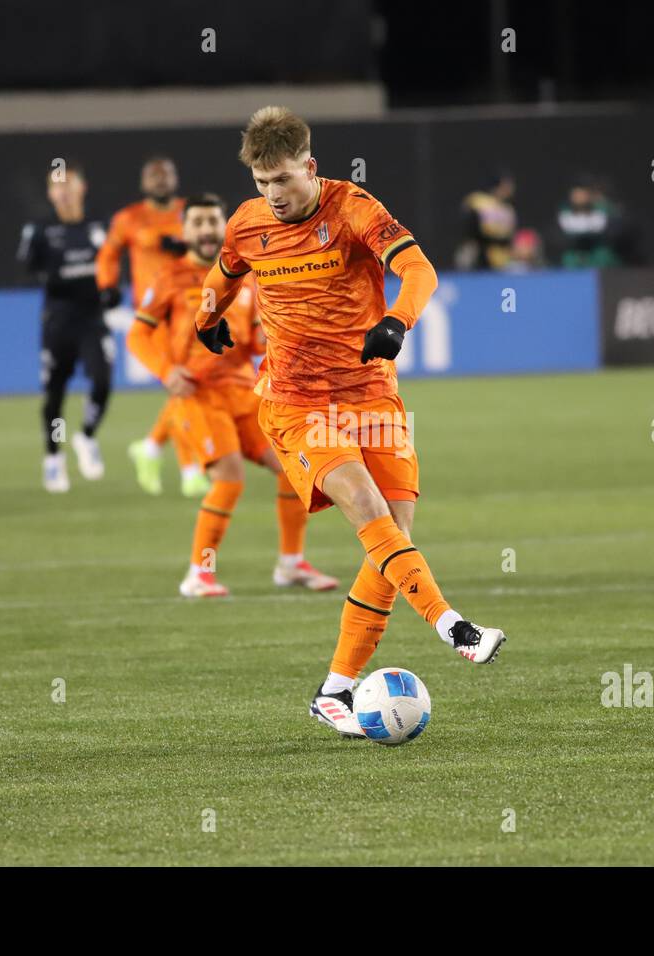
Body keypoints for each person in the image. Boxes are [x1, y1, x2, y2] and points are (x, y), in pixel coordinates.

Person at [194, 107, 507, 738]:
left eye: (282, 180)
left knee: (394, 539)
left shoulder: (354, 208)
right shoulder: (247, 225)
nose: (272, 196)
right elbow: (222, 275)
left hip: (371, 395)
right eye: (261, 184)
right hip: (294, 402)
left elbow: (419, 270)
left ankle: (334, 688)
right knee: (367, 508)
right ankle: (453, 625)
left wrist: (397, 321)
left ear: (310, 167)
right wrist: (207, 318)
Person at [128, 193, 338, 597]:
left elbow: (258, 338)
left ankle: (290, 564)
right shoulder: (170, 278)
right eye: (198, 222)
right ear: (185, 230)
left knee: (292, 471)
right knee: (230, 479)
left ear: (224, 226)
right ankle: (197, 574)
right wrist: (165, 371)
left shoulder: (246, 275)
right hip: (199, 397)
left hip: (245, 393)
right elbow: (137, 334)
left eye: (212, 221)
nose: (206, 230)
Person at [95, 156, 206, 497]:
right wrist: (108, 285)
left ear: (175, 178)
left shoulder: (192, 212)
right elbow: (108, 254)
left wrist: (188, 244)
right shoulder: (129, 218)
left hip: (193, 310)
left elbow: (216, 242)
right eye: (153, 175)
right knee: (181, 384)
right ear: (144, 183)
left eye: (165, 174)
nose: (160, 180)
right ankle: (189, 468)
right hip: (155, 315)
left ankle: (155, 448)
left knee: (187, 385)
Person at [18, 162, 113, 492]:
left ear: (81, 187)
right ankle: (54, 456)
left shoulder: (100, 224)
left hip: (93, 319)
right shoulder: (42, 229)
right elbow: (27, 265)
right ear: (50, 193)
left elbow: (113, 263)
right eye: (57, 186)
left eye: (69, 184)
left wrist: (112, 290)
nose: (64, 191)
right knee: (55, 396)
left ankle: (86, 435)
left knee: (102, 381)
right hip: (58, 321)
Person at [455, 171, 517, 271]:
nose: (511, 188)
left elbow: (509, 237)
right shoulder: (477, 201)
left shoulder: (508, 209)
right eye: (508, 184)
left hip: (500, 258)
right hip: (478, 253)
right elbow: (469, 227)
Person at [556, 183, 622, 268]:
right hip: (574, 257)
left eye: (582, 193)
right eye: (576, 193)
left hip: (597, 256)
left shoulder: (603, 211)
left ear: (590, 195)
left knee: (604, 255)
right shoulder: (564, 213)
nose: (578, 196)